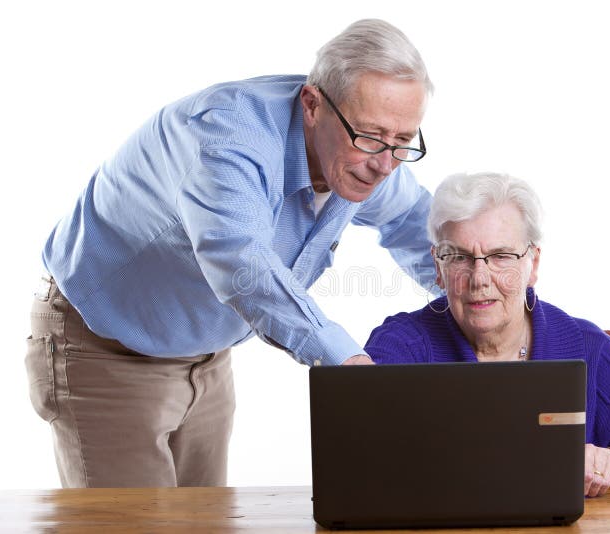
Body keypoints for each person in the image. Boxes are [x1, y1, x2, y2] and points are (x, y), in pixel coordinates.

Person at [26, 19, 436, 488]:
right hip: (102, 346)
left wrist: (478, 282)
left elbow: (411, 221)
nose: (385, 164)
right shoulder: (228, 139)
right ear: (312, 105)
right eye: (371, 137)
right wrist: (348, 365)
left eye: (403, 141)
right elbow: (245, 265)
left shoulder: (364, 148)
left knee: (205, 522)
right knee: (133, 524)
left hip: (206, 357)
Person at [364, 172, 610, 497]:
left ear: (533, 264)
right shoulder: (400, 346)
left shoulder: (588, 347)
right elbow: (355, 465)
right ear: (438, 268)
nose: (480, 278)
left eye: (501, 256)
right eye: (459, 257)